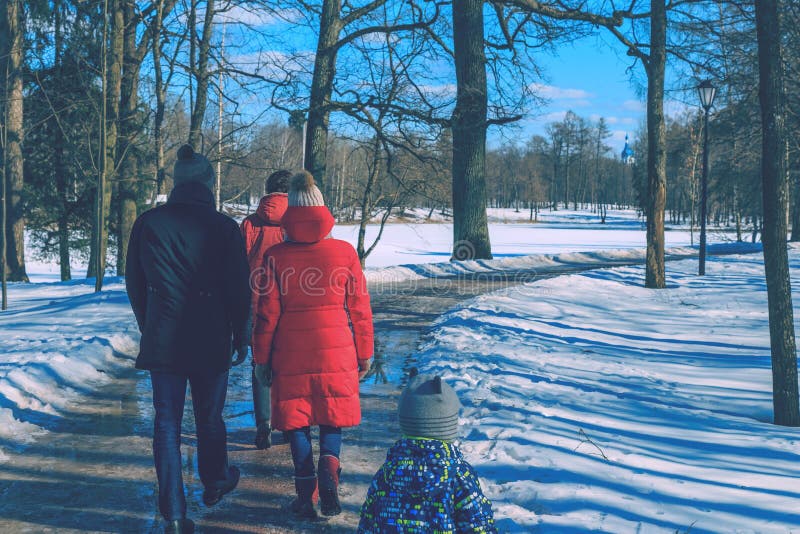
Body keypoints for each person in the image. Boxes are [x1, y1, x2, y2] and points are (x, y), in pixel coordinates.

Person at [126, 144, 251, 534]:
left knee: (166, 423)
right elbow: (238, 289)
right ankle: (215, 481)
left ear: (176, 184)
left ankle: (175, 512)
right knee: (209, 417)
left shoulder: (148, 223)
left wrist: (150, 324)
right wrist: (240, 335)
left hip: (164, 335)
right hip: (212, 336)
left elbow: (135, 283)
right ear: (208, 184)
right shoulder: (224, 227)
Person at [251, 170, 374, 519]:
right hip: (337, 347)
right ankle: (329, 473)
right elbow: (360, 309)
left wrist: (262, 359)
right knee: (331, 418)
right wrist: (364, 352)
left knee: (297, 422)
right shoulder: (345, 252)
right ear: (323, 210)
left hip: (289, 352)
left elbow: (266, 316)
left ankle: (305, 496)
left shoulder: (276, 256)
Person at [357, 370, 497, 533]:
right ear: (448, 423)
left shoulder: (387, 472)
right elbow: (477, 525)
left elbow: (368, 521)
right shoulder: (457, 475)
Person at [240, 169, 291, 450]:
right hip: (290, 302)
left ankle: (264, 424)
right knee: (289, 363)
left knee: (260, 362)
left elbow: (237, 265)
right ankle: (288, 423)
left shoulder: (250, 223)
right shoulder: (298, 221)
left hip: (256, 302)